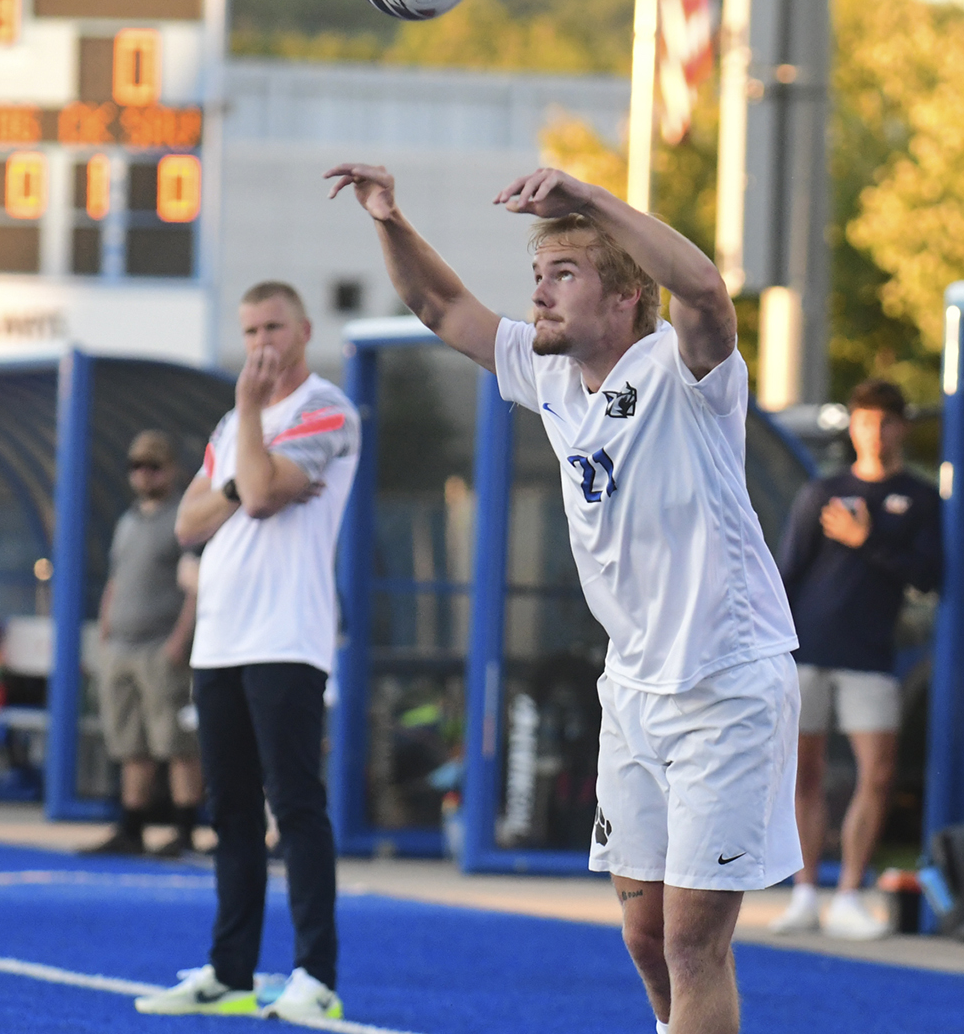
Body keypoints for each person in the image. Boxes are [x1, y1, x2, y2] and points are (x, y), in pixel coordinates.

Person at [325, 162, 801, 1034]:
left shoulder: (682, 368)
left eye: (564, 275)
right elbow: (441, 309)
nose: (538, 295)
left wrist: (589, 202)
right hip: (634, 690)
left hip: (725, 684)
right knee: (645, 936)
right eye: (536, 277)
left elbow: (700, 284)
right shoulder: (548, 376)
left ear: (624, 301)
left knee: (697, 944)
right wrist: (390, 219)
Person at [133, 282, 360, 1023]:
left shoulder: (325, 408)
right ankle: (230, 972)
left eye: (273, 327)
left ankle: (315, 976)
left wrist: (249, 445)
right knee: (228, 808)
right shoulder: (234, 421)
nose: (261, 341)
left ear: (304, 328)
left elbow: (259, 497)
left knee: (294, 805)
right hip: (221, 637)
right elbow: (187, 524)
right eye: (251, 328)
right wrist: (242, 461)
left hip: (287, 635)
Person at [769, 378, 941, 941]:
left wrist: (866, 540)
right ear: (854, 427)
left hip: (870, 656)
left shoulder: (918, 498)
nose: (876, 432)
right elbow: (785, 575)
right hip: (808, 653)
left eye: (887, 422)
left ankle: (848, 892)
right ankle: (804, 893)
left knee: (878, 773)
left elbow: (929, 577)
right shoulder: (821, 493)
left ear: (901, 428)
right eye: (866, 420)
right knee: (804, 774)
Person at [85, 430, 204, 858]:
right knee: (129, 741)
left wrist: (179, 640)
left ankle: (186, 830)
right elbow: (116, 580)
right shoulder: (127, 521)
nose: (144, 474)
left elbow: (195, 587)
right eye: (137, 466)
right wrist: (105, 627)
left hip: (160, 646)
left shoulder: (183, 520)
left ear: (170, 470)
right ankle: (131, 828)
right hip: (122, 646)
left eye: (153, 466)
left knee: (174, 741)